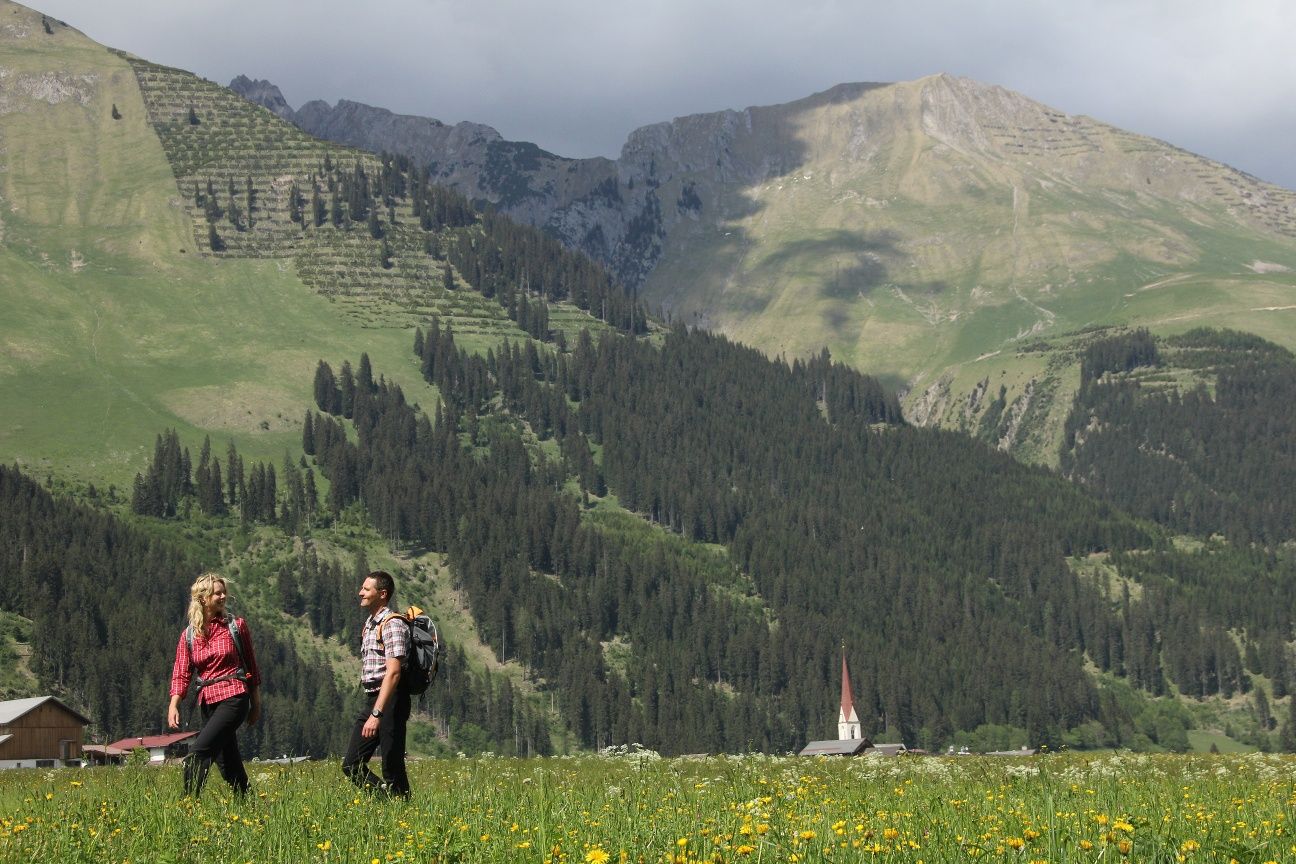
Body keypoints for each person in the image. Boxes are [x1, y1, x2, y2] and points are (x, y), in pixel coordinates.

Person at [167, 573, 261, 798]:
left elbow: (251, 666)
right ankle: (249, 806)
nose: (222, 596)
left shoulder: (235, 626)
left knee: (199, 752)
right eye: (216, 593)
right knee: (228, 763)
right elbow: (181, 672)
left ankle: (187, 804)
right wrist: (174, 704)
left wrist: (256, 703)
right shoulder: (189, 635)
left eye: (223, 592)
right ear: (202, 598)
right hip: (208, 701)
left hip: (234, 696)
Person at [341, 570, 411, 798]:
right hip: (373, 697)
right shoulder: (370, 624)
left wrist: (377, 713)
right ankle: (390, 805)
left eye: (366, 589)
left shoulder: (392, 624)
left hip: (391, 698)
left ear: (382, 594)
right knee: (351, 765)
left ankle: (403, 812)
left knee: (392, 764)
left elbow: (393, 673)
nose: (360, 593)